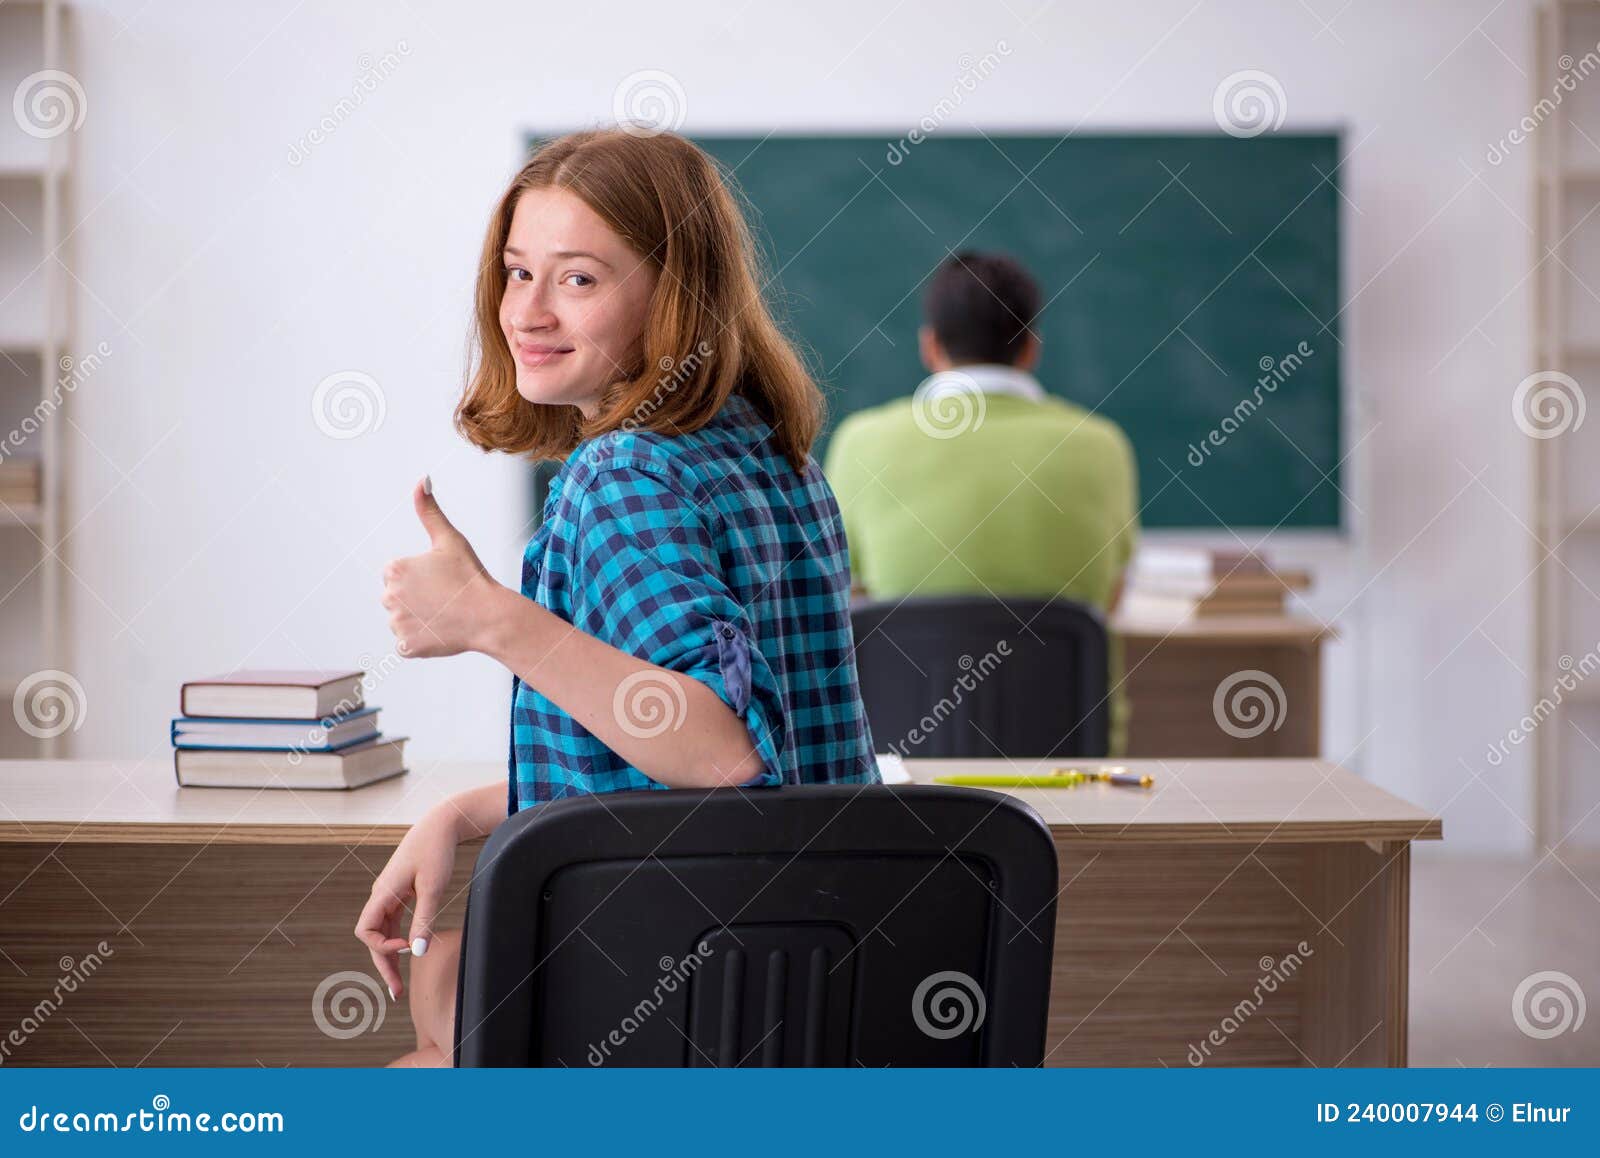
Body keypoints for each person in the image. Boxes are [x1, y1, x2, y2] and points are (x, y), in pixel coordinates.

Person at [357, 129, 879, 1067]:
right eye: (518, 273)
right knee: (444, 989)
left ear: (674, 297)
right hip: (805, 983)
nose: (528, 312)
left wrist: (489, 617)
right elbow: (681, 761)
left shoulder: (625, 471)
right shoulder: (772, 454)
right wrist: (467, 813)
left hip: (678, 997)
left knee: (429, 1024)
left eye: (580, 279)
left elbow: (721, 750)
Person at [824, 251, 1139, 751]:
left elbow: (844, 602)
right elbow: (1112, 598)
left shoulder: (862, 443)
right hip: (1070, 764)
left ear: (930, 346)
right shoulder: (1101, 445)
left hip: (904, 767)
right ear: (1031, 349)